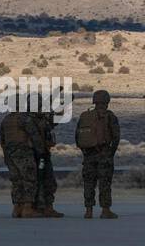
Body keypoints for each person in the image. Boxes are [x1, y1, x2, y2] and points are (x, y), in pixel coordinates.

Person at [75, 90, 120, 219]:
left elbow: (77, 136)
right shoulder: (110, 116)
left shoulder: (85, 116)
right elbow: (116, 137)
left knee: (89, 183)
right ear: (107, 101)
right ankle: (105, 210)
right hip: (104, 154)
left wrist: (85, 151)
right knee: (104, 183)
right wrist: (110, 153)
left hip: (88, 155)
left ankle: (88, 211)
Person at [0, 99, 46, 218]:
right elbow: (34, 136)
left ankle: (17, 208)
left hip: (10, 154)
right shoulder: (25, 119)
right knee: (29, 179)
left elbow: (2, 140)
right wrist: (41, 152)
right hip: (24, 152)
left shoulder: (6, 120)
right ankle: (27, 208)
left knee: (17, 181)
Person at [31, 109, 64, 217]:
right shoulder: (32, 121)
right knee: (44, 180)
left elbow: (56, 119)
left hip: (40, 155)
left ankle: (44, 207)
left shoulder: (40, 120)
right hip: (39, 156)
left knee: (45, 181)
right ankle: (43, 207)